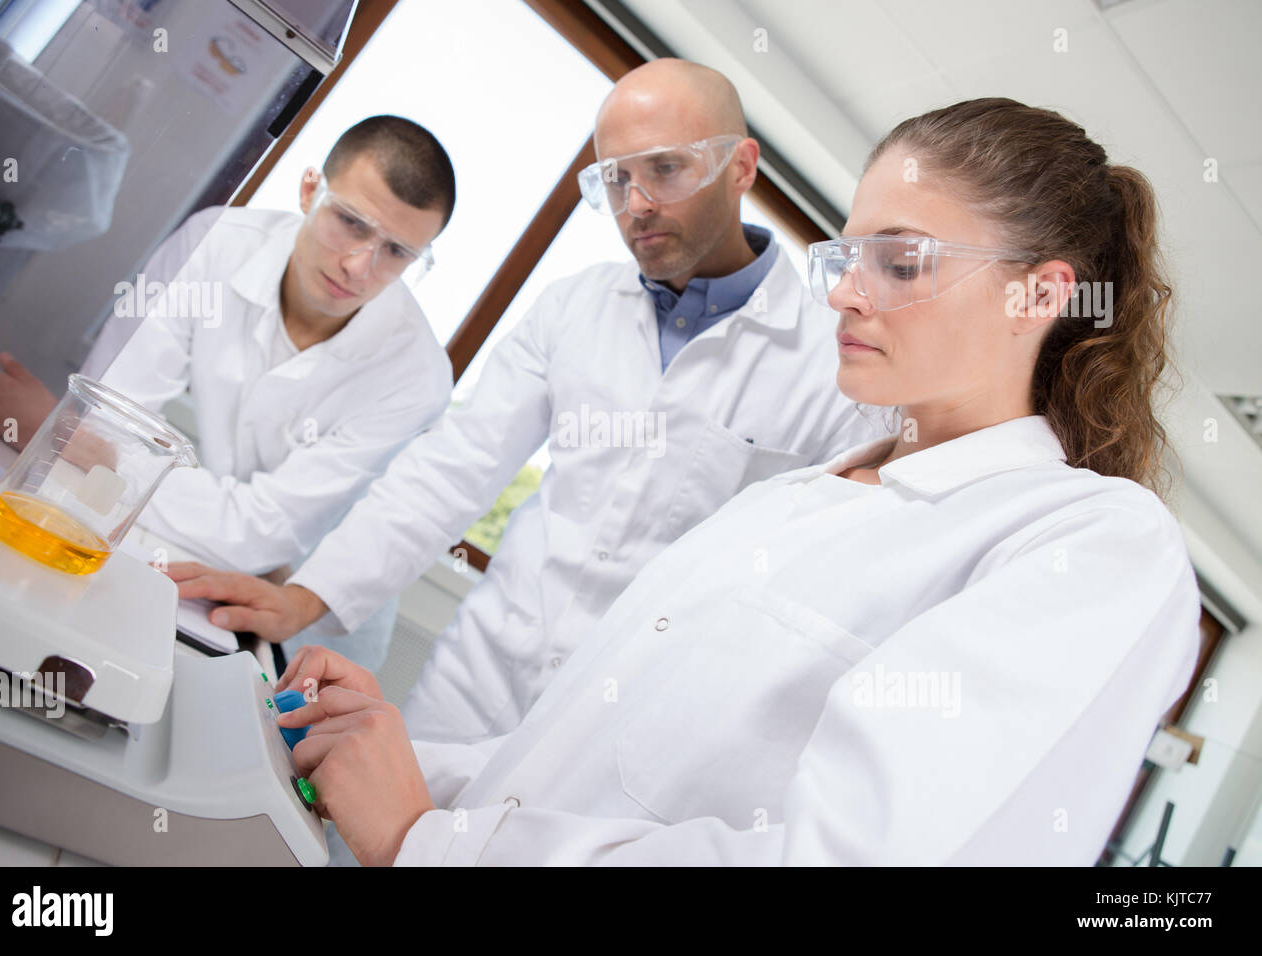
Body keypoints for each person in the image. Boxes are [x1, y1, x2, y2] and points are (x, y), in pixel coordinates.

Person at [257, 97, 1201, 866]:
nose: (843, 290)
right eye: (847, 254)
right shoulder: (796, 497)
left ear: (1039, 293)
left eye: (901, 260)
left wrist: (425, 844)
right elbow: (569, 770)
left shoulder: (1092, 544)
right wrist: (391, 759)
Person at [168, 59, 882, 743]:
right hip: (475, 688)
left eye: (665, 168)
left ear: (742, 167)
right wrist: (306, 597)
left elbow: (814, 580)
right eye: (615, 178)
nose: (636, 205)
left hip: (631, 723)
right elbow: (451, 471)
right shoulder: (573, 309)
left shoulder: (832, 365)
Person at [0, 116, 455, 673]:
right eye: (350, 222)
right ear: (310, 189)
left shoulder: (416, 375)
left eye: (397, 252)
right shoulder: (216, 243)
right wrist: (98, 443)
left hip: (289, 610)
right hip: (178, 553)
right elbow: (111, 413)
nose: (359, 266)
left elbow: (256, 539)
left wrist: (86, 443)